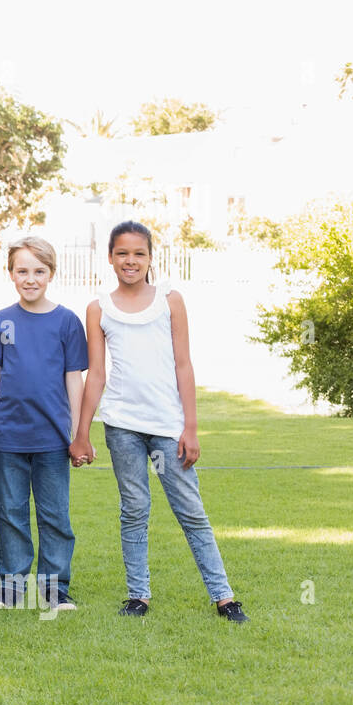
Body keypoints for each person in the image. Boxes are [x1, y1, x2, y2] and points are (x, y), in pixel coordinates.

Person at [70, 221, 248, 622]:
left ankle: (224, 597)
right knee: (134, 508)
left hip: (168, 427)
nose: (130, 261)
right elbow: (95, 374)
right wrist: (81, 433)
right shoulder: (99, 308)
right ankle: (138, 596)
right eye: (122, 253)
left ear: (151, 257)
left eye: (138, 253)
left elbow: (184, 364)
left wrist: (191, 427)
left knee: (190, 509)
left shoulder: (170, 300)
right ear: (110, 257)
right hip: (122, 426)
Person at [0, 235, 87, 611]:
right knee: (10, 514)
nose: (30, 278)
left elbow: (73, 378)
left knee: (54, 516)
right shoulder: (1, 321)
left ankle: (55, 590)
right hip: (8, 439)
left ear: (51, 273)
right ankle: (12, 589)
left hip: (52, 439)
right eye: (22, 271)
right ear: (11, 274)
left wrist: (79, 433)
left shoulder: (67, 321)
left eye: (39, 271)